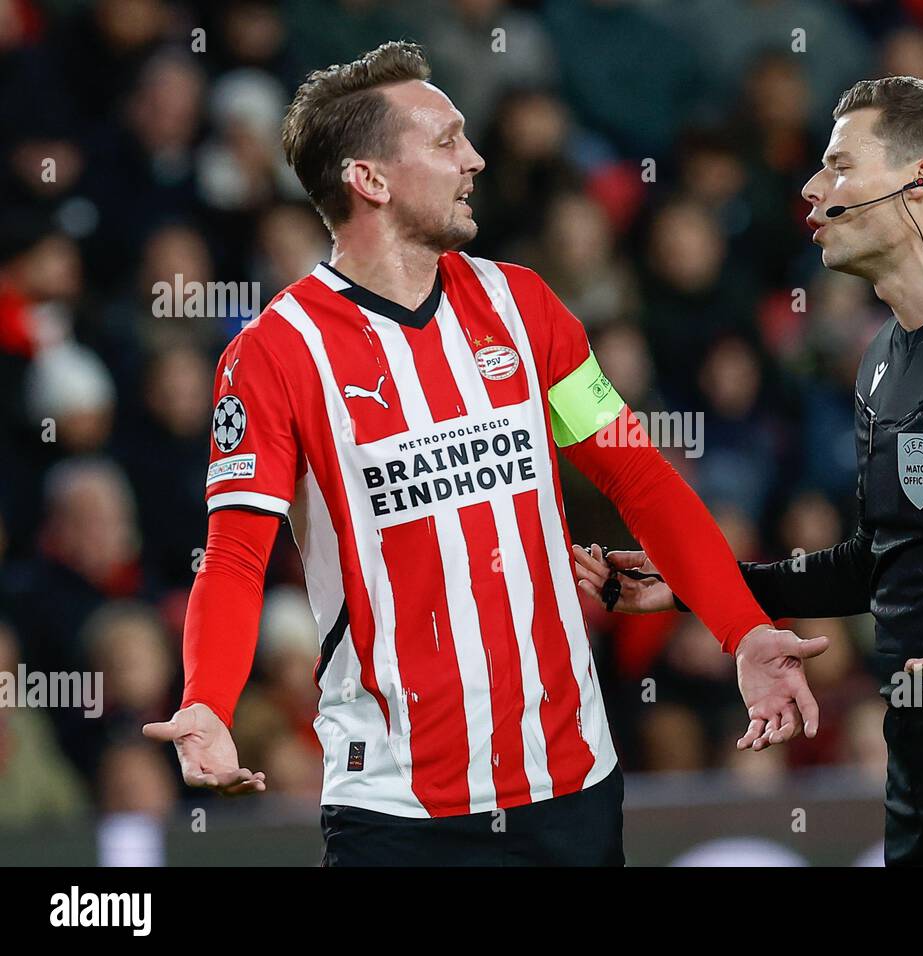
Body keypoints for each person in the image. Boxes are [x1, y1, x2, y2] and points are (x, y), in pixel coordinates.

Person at [143, 41, 827, 867]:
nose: (474, 159)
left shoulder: (523, 303)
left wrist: (744, 630)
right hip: (396, 801)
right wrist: (209, 701)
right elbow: (234, 555)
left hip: (570, 782)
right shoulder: (274, 354)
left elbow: (638, 474)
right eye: (445, 142)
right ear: (370, 179)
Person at [575, 76, 923, 866]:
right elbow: (881, 561)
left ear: (921, 179)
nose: (812, 187)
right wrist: (705, 585)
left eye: (839, 166)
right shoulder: (880, 362)